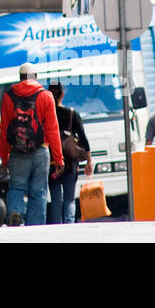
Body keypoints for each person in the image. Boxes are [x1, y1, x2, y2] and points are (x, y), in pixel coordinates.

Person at [0, 63, 63, 226]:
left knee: (17, 187)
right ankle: (35, 227)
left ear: (20, 77)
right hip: (41, 150)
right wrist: (59, 159)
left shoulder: (8, 96)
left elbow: (4, 128)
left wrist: (4, 156)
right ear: (36, 77)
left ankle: (15, 211)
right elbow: (53, 129)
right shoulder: (46, 96)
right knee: (38, 191)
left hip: (17, 151)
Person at [47, 81, 91, 224]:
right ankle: (69, 226)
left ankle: (56, 227)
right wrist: (89, 161)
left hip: (51, 162)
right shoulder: (72, 114)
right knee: (69, 199)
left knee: (55, 199)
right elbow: (83, 139)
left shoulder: (45, 114)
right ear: (62, 95)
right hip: (70, 162)